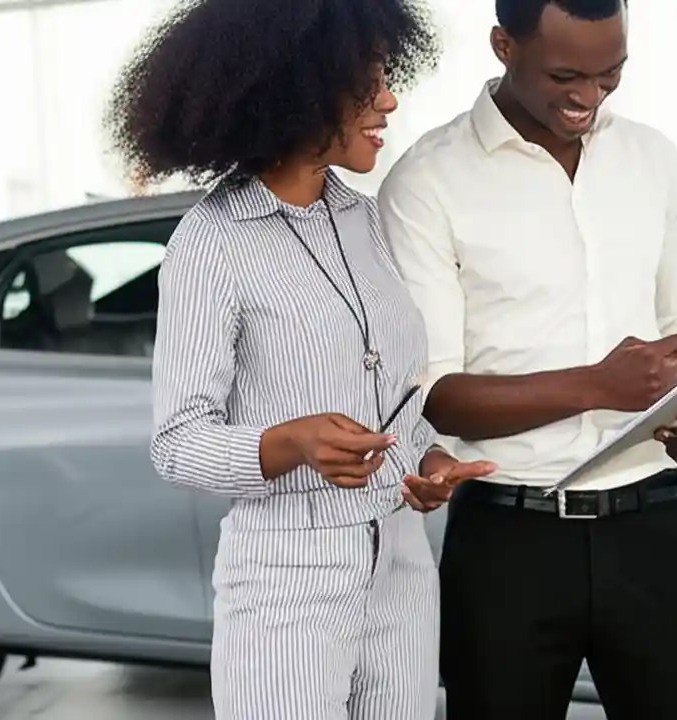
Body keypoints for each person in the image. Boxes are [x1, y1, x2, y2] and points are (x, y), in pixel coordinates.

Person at [107, 1, 495, 717]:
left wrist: (426, 462)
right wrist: (290, 443)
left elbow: (393, 394)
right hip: (288, 575)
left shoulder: (363, 219)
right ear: (297, 89)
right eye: (368, 82)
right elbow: (177, 444)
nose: (389, 98)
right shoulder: (211, 244)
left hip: (403, 562)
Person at [378, 0, 677, 717]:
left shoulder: (652, 159)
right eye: (565, 75)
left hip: (656, 529)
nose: (588, 96)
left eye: (611, 74)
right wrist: (600, 386)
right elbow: (435, 395)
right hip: (510, 545)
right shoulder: (428, 181)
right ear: (502, 45)